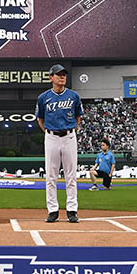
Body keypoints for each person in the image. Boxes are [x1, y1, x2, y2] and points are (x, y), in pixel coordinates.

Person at [36, 63, 83, 223]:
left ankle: (72, 210)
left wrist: (71, 130)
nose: (62, 77)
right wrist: (50, 133)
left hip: (69, 136)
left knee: (71, 176)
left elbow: (78, 117)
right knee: (51, 176)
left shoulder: (73, 96)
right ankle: (53, 210)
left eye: (64, 74)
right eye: (58, 74)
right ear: (51, 78)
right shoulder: (43, 98)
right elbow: (40, 119)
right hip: (51, 137)